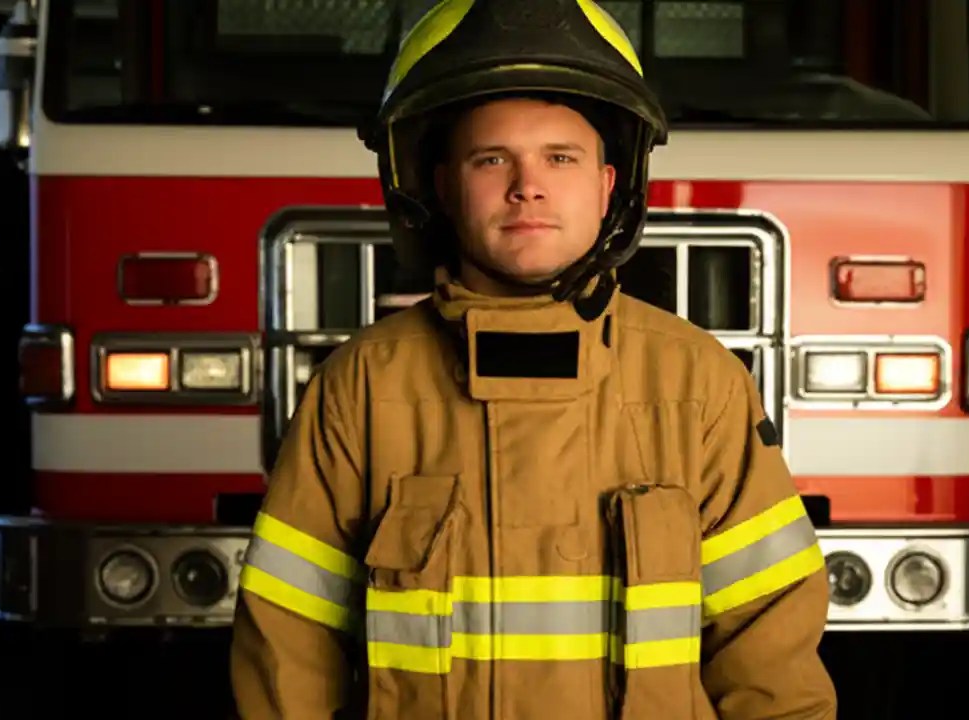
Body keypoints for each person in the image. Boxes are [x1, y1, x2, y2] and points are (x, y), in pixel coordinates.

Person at [229, 1, 837, 718]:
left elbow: (770, 651)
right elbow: (287, 652)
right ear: (442, 187)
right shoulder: (360, 390)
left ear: (611, 185)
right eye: (493, 159)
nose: (528, 186)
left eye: (560, 157)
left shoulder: (700, 386)